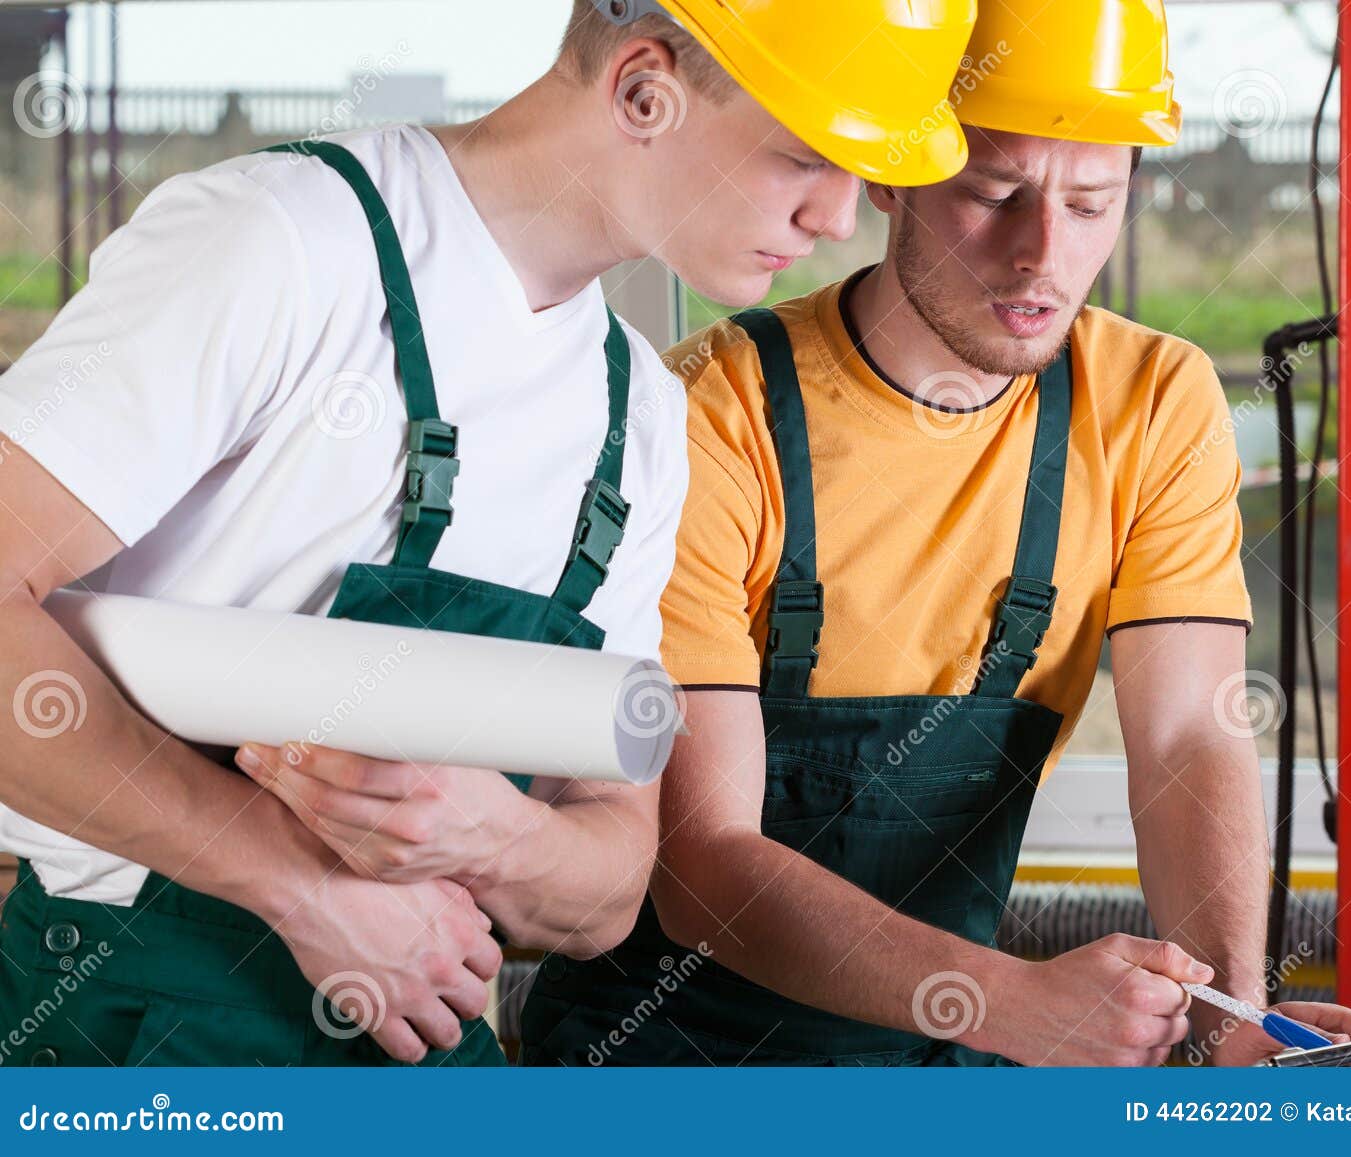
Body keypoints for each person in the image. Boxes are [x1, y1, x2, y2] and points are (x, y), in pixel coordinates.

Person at [0, 0, 978, 1067]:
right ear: (643, 87)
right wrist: (297, 879)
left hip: (423, 1040)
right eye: (806, 158)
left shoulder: (637, 413)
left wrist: (499, 837)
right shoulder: (285, 245)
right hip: (131, 1026)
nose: (839, 219)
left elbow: (608, 877)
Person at [514, 0, 1351, 1066]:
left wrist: (1234, 1017)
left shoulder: (1153, 403)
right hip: (661, 1064)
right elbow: (704, 858)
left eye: (1091, 201)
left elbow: (1184, 740)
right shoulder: (709, 416)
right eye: (995, 192)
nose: (1043, 255)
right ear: (890, 169)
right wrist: (1005, 1002)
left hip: (945, 1056)